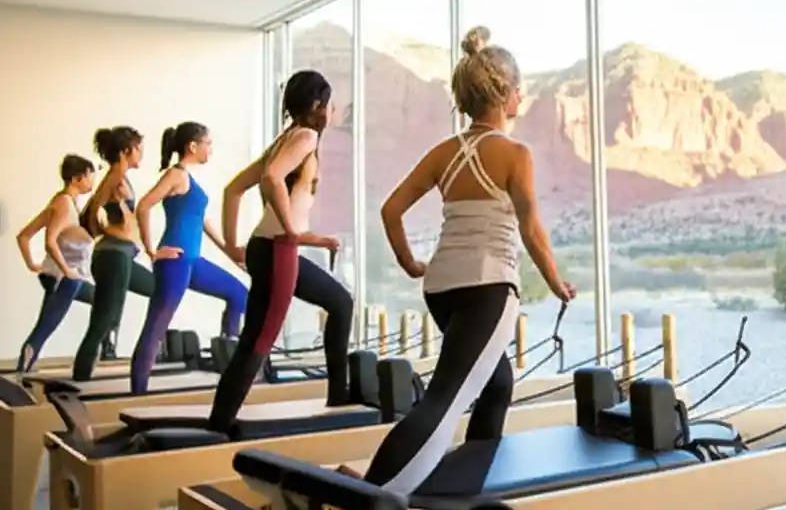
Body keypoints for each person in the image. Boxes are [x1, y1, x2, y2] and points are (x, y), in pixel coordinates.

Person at [356, 26, 575, 497]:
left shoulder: (443, 152)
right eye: (519, 89)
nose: (522, 96)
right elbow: (532, 231)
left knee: (496, 383)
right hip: (488, 287)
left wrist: (412, 263)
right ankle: (369, 496)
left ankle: (469, 486)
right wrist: (557, 282)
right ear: (506, 95)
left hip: (441, 287)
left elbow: (390, 210)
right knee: (444, 399)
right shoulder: (516, 153)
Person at [207, 69, 353, 433]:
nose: (332, 111)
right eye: (329, 103)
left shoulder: (285, 139)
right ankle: (218, 426)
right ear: (318, 106)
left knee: (340, 302)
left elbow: (232, 190)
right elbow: (272, 177)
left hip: (268, 247)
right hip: (277, 249)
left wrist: (233, 247)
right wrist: (294, 231)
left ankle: (339, 396)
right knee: (259, 340)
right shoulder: (304, 137)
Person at [130, 122, 249, 394]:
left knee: (240, 295)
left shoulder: (190, 181)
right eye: (207, 143)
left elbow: (202, 222)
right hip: (175, 261)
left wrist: (230, 250)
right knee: (156, 326)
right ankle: (138, 392)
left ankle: (229, 361)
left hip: (192, 262)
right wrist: (151, 251)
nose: (211, 149)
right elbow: (144, 205)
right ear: (192, 146)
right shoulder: (176, 175)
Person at [72, 126, 157, 381]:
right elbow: (89, 214)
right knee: (101, 320)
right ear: (126, 151)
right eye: (138, 149)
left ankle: (142, 346)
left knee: (159, 288)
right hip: (113, 256)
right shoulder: (117, 174)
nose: (141, 154)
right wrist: (110, 230)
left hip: (121, 257)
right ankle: (81, 377)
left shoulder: (120, 176)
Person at [13, 155, 98, 372]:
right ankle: (21, 373)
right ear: (77, 179)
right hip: (63, 278)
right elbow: (50, 241)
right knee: (44, 328)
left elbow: (23, 236)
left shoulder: (60, 201)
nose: (92, 181)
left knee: (105, 301)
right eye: (90, 176)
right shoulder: (64, 204)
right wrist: (66, 270)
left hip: (59, 276)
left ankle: (105, 347)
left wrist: (33, 264)